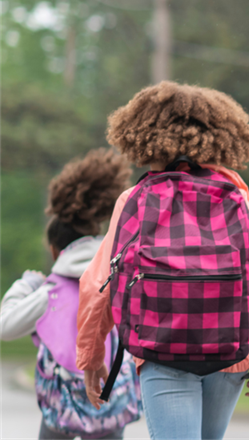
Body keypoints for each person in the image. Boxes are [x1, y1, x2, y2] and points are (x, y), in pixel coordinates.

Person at [76, 82, 249, 440]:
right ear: (219, 135)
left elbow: (100, 283)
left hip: (161, 347)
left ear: (143, 135)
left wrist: (90, 355)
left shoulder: (134, 198)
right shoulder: (236, 198)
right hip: (230, 350)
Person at [0, 149, 141, 440]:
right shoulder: (119, 279)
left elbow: (6, 326)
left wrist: (26, 284)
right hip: (111, 400)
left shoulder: (49, 293)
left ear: (55, 250)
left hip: (61, 408)